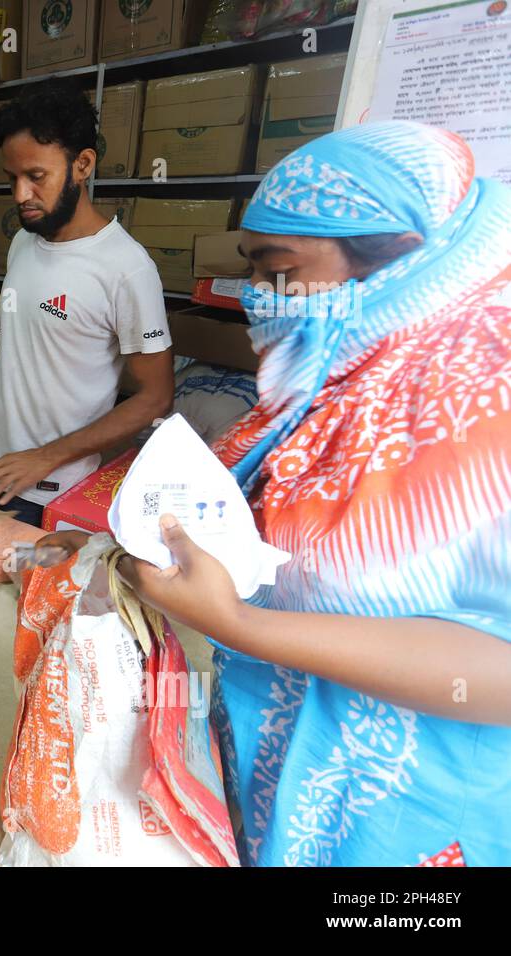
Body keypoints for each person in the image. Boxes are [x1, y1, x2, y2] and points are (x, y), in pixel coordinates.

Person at [42, 122, 511, 865]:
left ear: (404, 252)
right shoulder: (333, 369)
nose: (259, 297)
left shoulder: (487, 399)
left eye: (279, 269)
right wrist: (114, 552)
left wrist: (237, 624)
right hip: (267, 771)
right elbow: (253, 527)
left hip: (402, 818)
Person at [0, 82, 175, 526]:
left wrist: (45, 457)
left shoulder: (126, 269)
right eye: (12, 178)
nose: (20, 195)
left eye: (36, 177)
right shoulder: (24, 242)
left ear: (82, 164)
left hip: (50, 488)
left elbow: (155, 397)